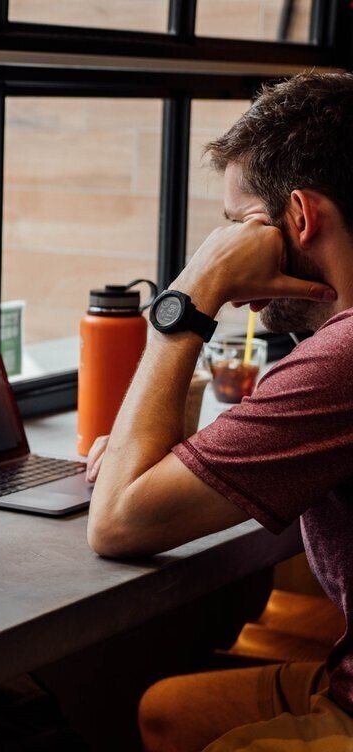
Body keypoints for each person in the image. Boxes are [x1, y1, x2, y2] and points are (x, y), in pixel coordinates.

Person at [84, 71, 353, 751]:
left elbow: (117, 522)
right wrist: (145, 463)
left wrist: (191, 292)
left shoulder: (343, 358)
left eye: (240, 226)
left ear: (300, 216)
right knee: (166, 714)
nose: (226, 252)